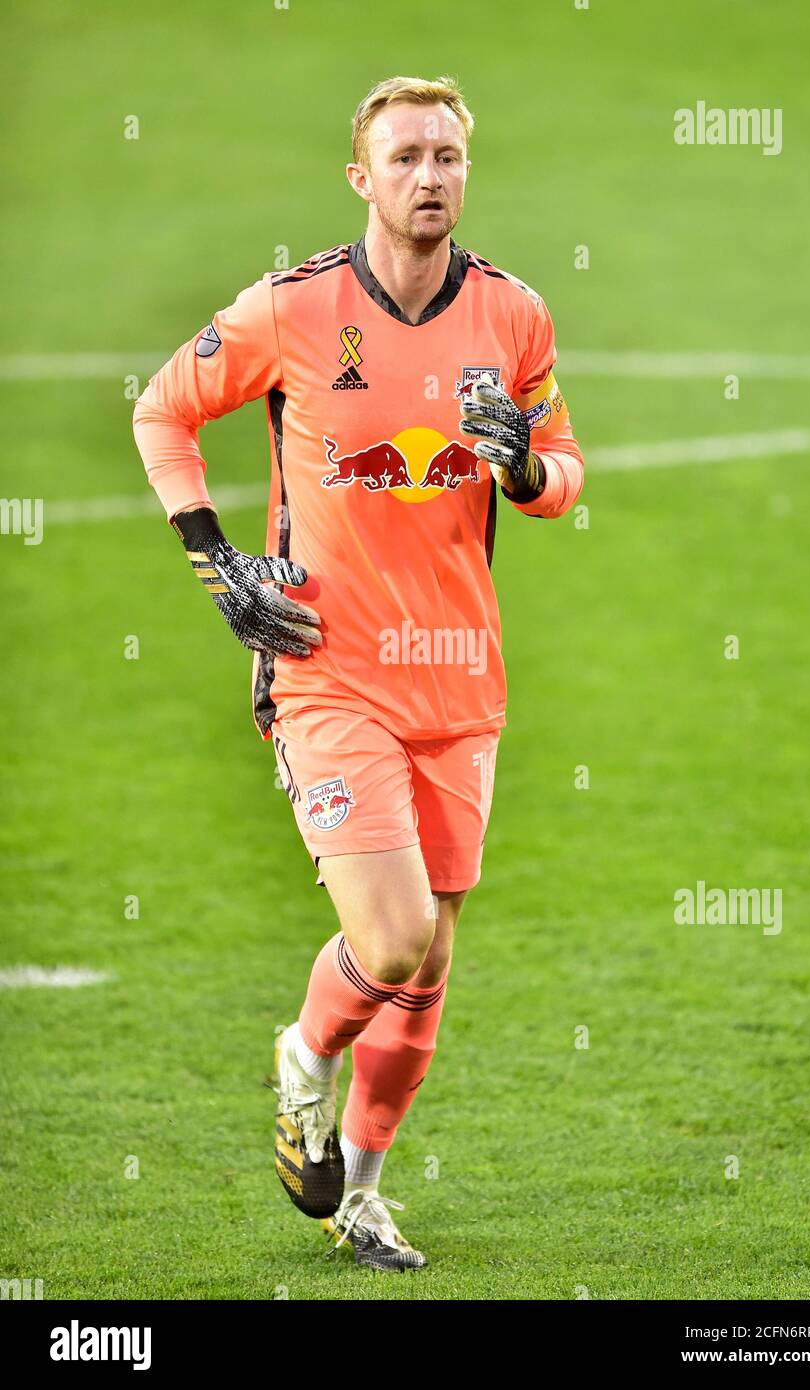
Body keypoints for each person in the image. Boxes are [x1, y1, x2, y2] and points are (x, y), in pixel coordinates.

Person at [132, 73, 585, 1272]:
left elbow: (562, 470)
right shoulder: (294, 309)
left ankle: (364, 1192)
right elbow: (162, 412)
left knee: (427, 965)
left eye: (446, 155)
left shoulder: (512, 316)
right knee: (387, 942)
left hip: (460, 679)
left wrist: (524, 468)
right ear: (360, 177)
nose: (428, 175)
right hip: (326, 668)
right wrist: (212, 555)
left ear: (465, 171)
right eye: (404, 157)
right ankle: (302, 1057)